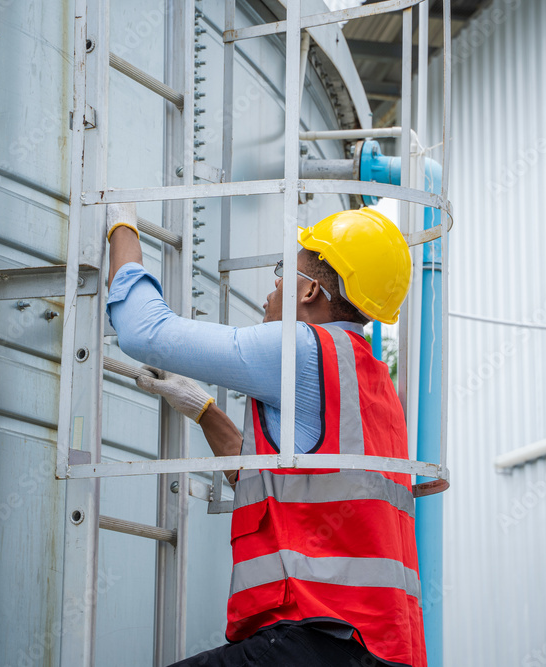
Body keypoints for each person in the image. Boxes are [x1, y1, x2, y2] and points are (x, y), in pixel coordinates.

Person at [105, 202, 426, 667]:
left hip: (316, 639)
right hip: (379, 648)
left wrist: (122, 229)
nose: (273, 286)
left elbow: (145, 333)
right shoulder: (373, 385)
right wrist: (203, 410)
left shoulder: (300, 349)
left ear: (310, 289)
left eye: (284, 272)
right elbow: (291, 481)